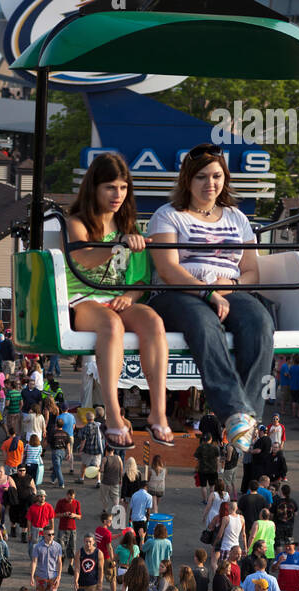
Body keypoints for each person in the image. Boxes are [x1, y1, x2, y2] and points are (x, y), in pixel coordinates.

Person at [147, 144, 274, 455]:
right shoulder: (168, 216)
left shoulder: (237, 218)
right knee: (204, 324)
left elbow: (251, 272)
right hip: (180, 293)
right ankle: (232, 410)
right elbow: (167, 269)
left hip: (228, 289)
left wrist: (229, 285)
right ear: (187, 181)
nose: (210, 184)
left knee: (260, 323)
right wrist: (207, 292)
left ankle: (246, 417)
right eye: (202, 177)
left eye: (217, 176)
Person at [65, 154, 172, 447]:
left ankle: (158, 412)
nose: (118, 195)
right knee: (111, 325)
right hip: (83, 298)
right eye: (110, 187)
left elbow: (138, 280)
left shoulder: (129, 226)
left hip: (116, 298)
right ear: (94, 188)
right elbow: (84, 259)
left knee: (152, 320)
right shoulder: (77, 223)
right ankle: (112, 412)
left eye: (123, 188)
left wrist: (129, 295)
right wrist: (115, 246)